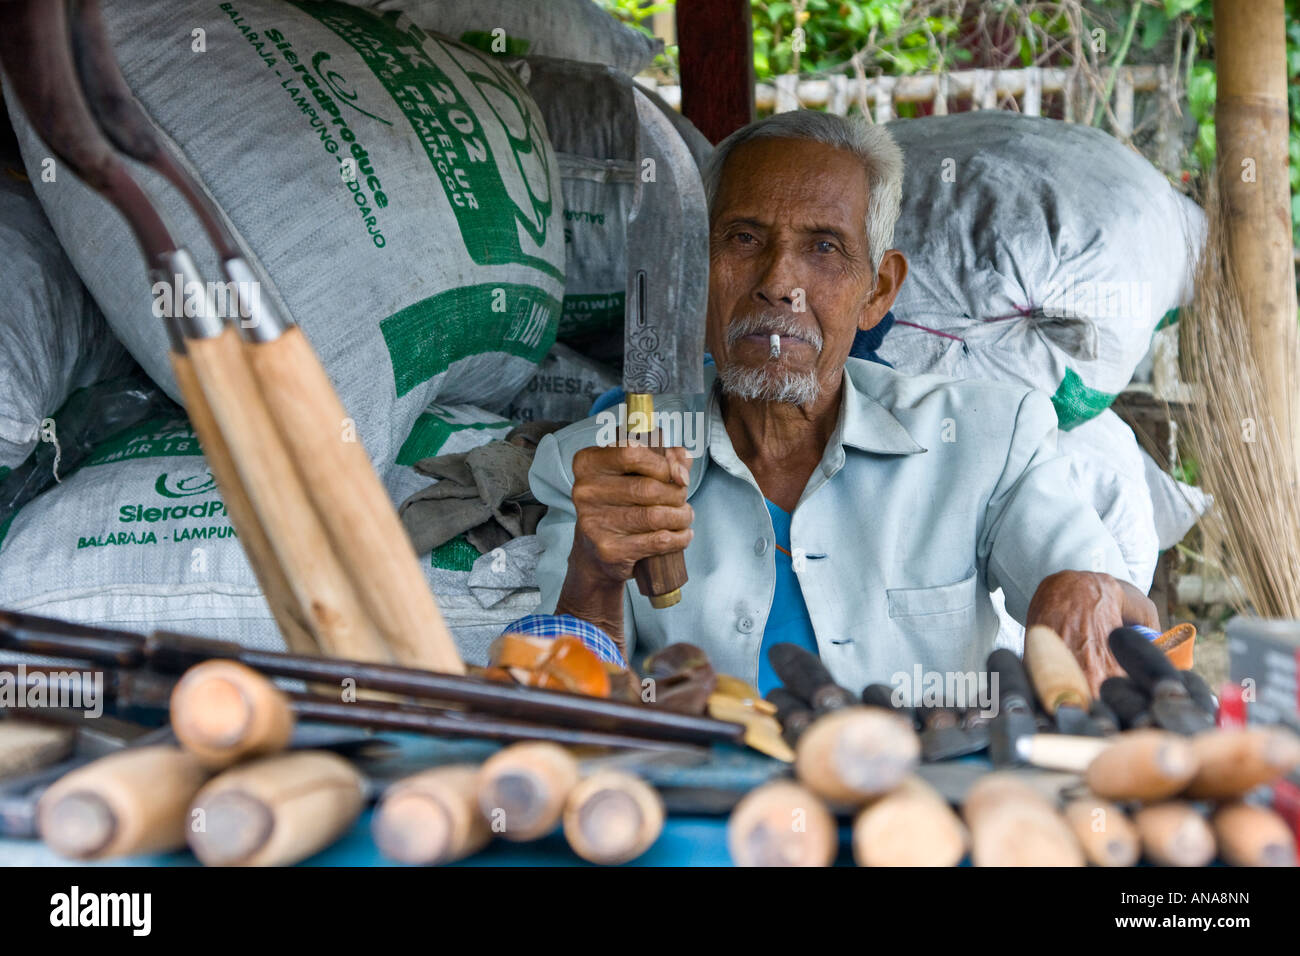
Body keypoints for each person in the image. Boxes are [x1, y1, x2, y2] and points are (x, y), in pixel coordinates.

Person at [507, 110, 1157, 699]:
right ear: (696, 273)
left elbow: (1131, 625)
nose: (778, 284)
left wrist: (1090, 588)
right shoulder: (599, 461)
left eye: (823, 247)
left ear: (878, 291)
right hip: (701, 811)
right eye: (743, 239)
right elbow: (566, 702)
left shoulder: (989, 438)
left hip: (917, 808)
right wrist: (594, 575)